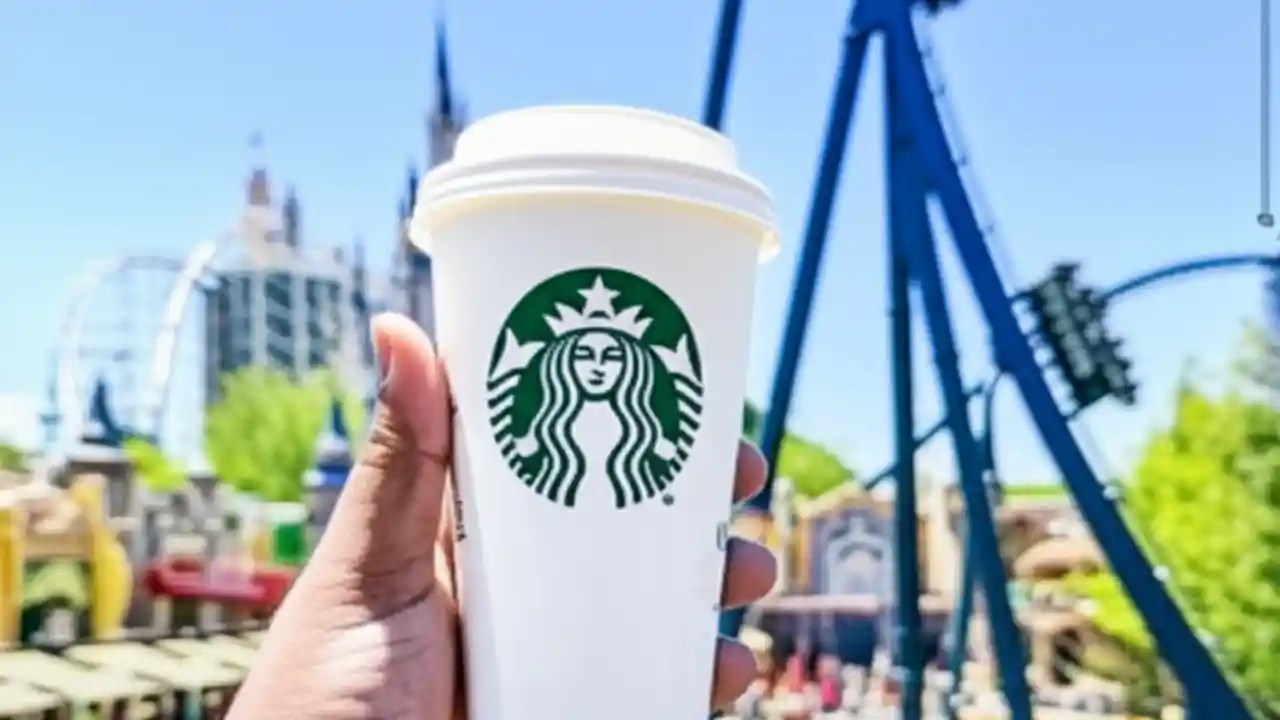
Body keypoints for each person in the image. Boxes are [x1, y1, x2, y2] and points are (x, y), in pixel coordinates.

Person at [227, 314, 779, 719]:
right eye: (583, 355)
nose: (597, 369)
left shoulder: (640, 439)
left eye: (612, 356)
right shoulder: (547, 435)